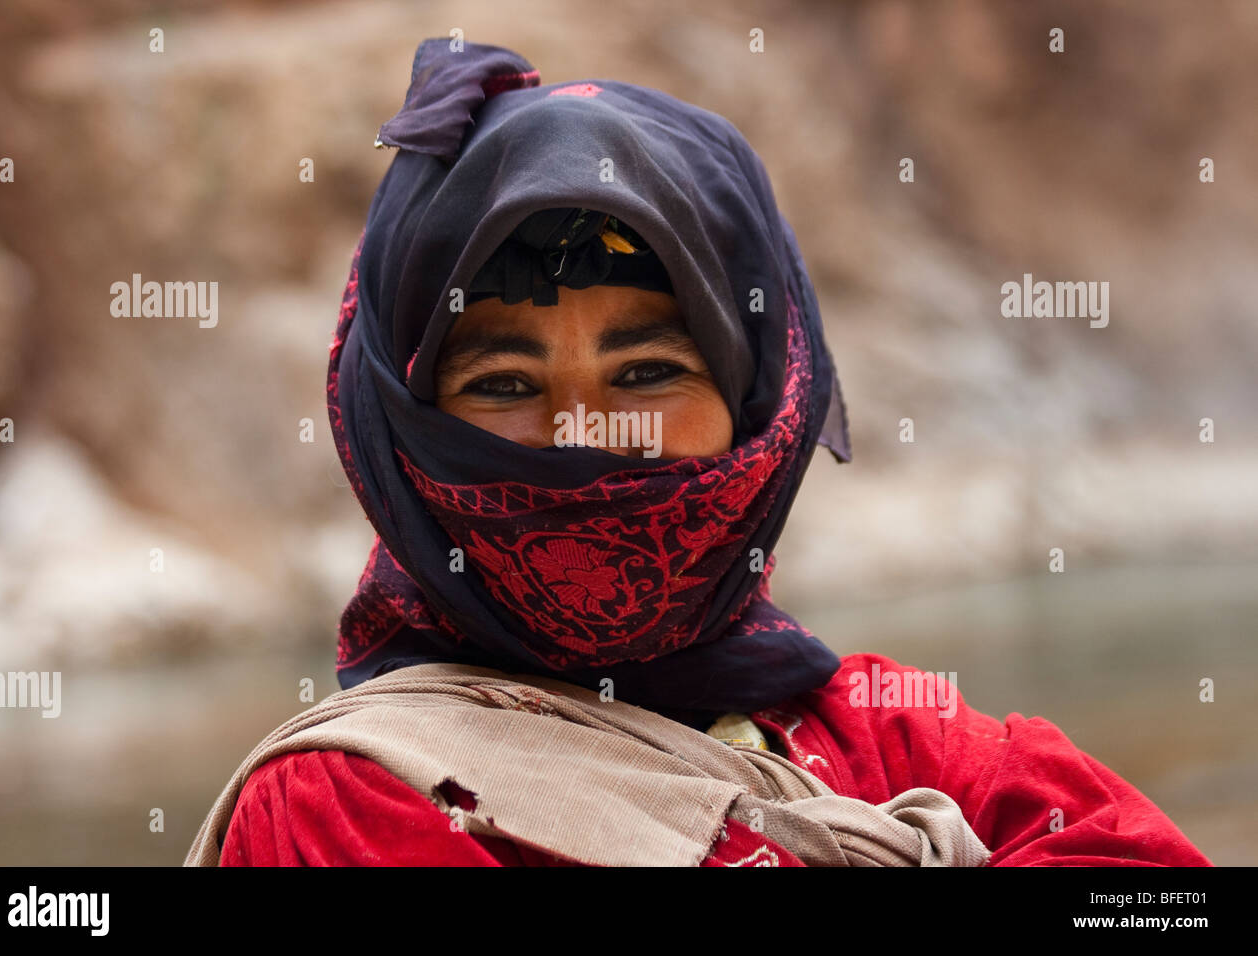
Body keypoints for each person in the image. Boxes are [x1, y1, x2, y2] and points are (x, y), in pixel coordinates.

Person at [184, 38, 1211, 867]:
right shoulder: (353, 800)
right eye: (504, 386)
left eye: (644, 374)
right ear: (398, 426)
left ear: (759, 402)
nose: (584, 434)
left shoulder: (902, 733)